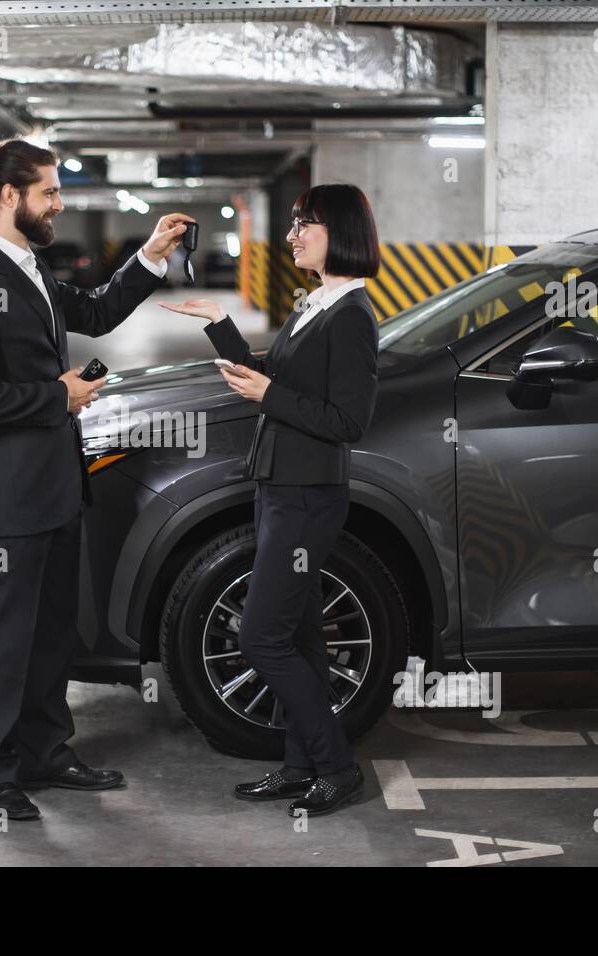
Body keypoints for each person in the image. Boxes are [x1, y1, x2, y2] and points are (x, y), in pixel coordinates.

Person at [0, 136, 190, 822]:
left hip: (53, 488)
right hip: (8, 496)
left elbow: (100, 311)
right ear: (11, 197)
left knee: (53, 633)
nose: (60, 202)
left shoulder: (33, 272)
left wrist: (151, 256)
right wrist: (60, 397)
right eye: (50, 191)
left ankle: (46, 752)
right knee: (2, 638)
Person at [159, 183, 381, 817]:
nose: (293, 235)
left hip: (309, 495)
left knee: (262, 640)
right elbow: (279, 376)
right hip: (280, 486)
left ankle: (337, 767)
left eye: (305, 224)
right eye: (292, 224)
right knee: (301, 634)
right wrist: (219, 326)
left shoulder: (352, 315)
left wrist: (268, 397)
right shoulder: (317, 304)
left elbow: (349, 420)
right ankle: (299, 764)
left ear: (339, 232)